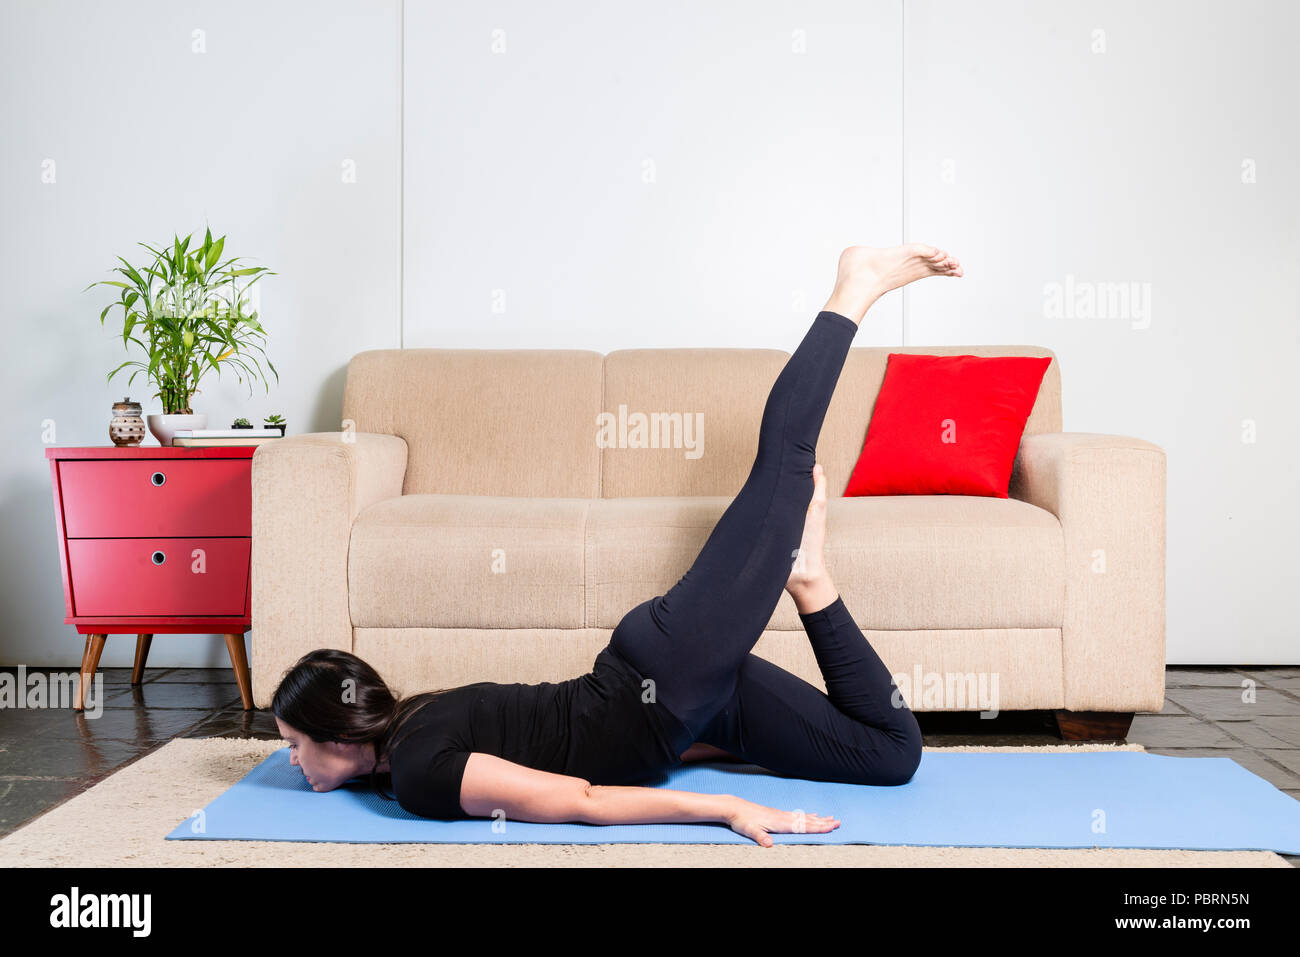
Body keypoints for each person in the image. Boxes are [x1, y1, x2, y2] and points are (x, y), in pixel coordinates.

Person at [273, 243, 963, 846]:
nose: (294, 763)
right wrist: (697, 756)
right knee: (891, 754)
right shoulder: (413, 723)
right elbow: (576, 764)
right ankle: (809, 580)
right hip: (683, 706)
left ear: (338, 734)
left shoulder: (420, 769)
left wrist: (725, 808)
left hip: (669, 676)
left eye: (296, 745)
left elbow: (581, 800)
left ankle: (854, 284)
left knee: (784, 459)